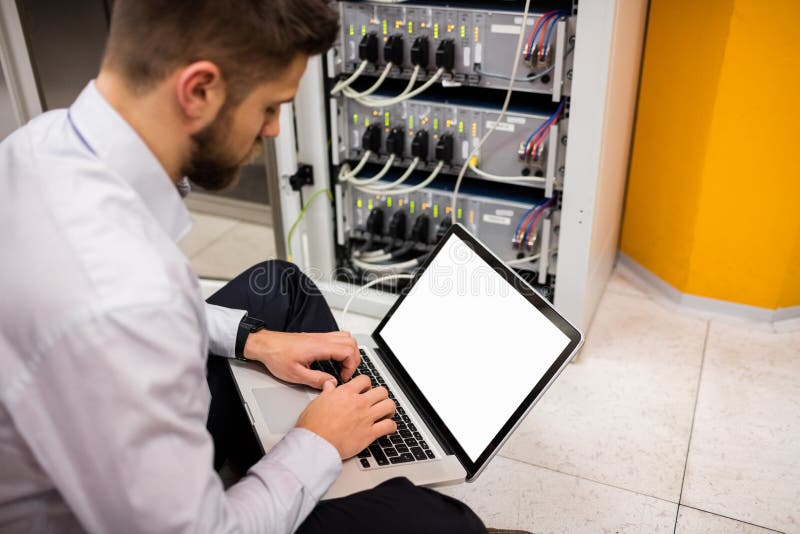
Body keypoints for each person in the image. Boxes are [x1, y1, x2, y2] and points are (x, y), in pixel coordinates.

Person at [0, 0, 490, 532]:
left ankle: (303, 459)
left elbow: (155, 319)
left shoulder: (39, 143)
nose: (276, 130)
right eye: (269, 107)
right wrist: (313, 445)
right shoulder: (127, 298)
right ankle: (316, 480)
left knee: (281, 286)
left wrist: (258, 342)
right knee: (443, 523)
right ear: (200, 91)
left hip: (95, 432)